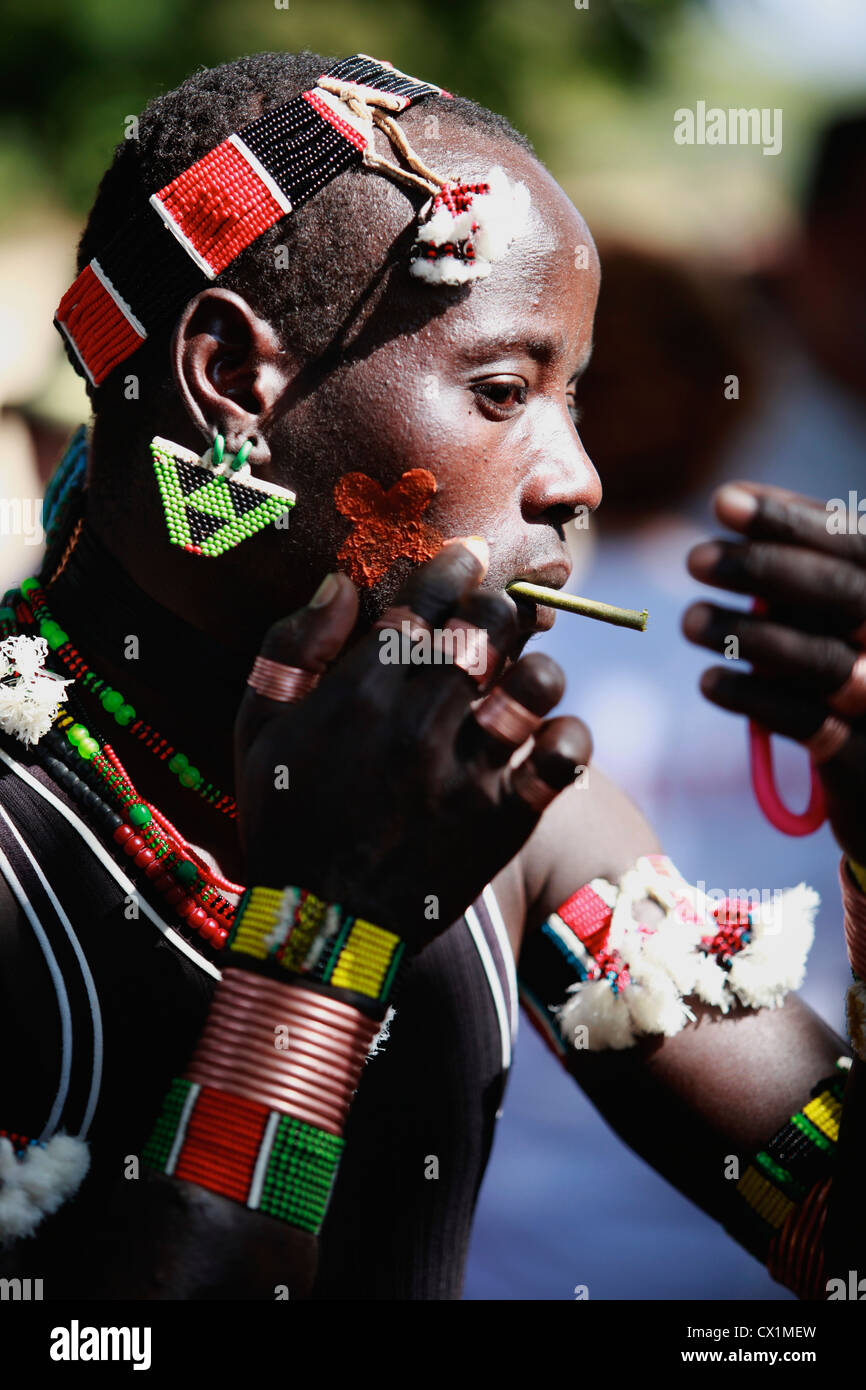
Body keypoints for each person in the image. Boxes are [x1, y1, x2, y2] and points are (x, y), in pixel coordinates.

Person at [0, 50, 863, 1302]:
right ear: (235, 379)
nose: (578, 478)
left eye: (575, 396)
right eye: (503, 390)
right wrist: (327, 935)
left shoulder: (500, 812)